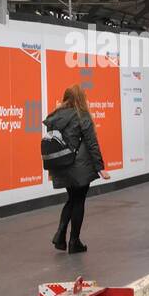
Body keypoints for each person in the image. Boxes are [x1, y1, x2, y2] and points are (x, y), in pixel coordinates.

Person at [44, 85, 109, 254]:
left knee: (71, 199)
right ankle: (74, 242)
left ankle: (60, 235)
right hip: (80, 166)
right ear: (80, 98)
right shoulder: (82, 116)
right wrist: (100, 168)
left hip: (62, 165)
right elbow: (91, 142)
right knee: (79, 200)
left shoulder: (54, 116)